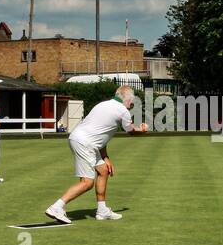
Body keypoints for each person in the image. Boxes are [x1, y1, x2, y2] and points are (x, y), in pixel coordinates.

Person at [45, 85, 148, 224]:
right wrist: (141, 130)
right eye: (132, 100)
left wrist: (105, 157)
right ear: (127, 98)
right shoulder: (123, 111)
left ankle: (102, 210)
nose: (132, 103)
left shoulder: (103, 104)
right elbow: (131, 131)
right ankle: (56, 207)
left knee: (103, 170)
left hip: (82, 140)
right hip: (85, 143)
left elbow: (100, 135)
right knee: (87, 183)